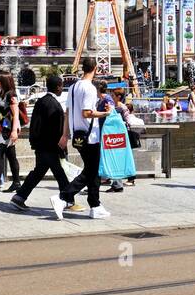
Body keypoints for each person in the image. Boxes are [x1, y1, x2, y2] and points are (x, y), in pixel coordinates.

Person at [11, 74, 72, 218]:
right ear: (58, 87)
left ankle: (19, 197)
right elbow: (56, 128)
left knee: (39, 172)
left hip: (40, 144)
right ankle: (68, 200)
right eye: (61, 85)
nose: (62, 88)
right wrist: (61, 145)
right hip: (50, 146)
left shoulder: (41, 101)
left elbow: (35, 125)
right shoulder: (54, 104)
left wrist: (34, 141)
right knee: (60, 173)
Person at [61, 56, 111, 218]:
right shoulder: (89, 88)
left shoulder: (73, 87)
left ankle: (95, 205)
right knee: (91, 171)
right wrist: (105, 113)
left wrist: (65, 133)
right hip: (90, 136)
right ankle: (65, 195)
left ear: (83, 68)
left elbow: (68, 112)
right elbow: (87, 112)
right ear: (95, 69)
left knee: (93, 171)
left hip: (78, 135)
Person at [0, 73, 23, 196]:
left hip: (9, 129)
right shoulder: (2, 94)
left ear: (3, 81)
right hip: (4, 128)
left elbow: (15, 115)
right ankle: (16, 182)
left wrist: (14, 131)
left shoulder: (11, 95)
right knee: (11, 155)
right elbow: (0, 111)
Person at [107, 90, 138, 192]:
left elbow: (128, 121)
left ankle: (118, 184)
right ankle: (115, 183)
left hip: (120, 136)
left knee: (118, 159)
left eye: (112, 95)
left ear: (118, 97)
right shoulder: (111, 106)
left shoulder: (122, 107)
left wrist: (122, 126)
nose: (111, 97)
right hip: (112, 136)